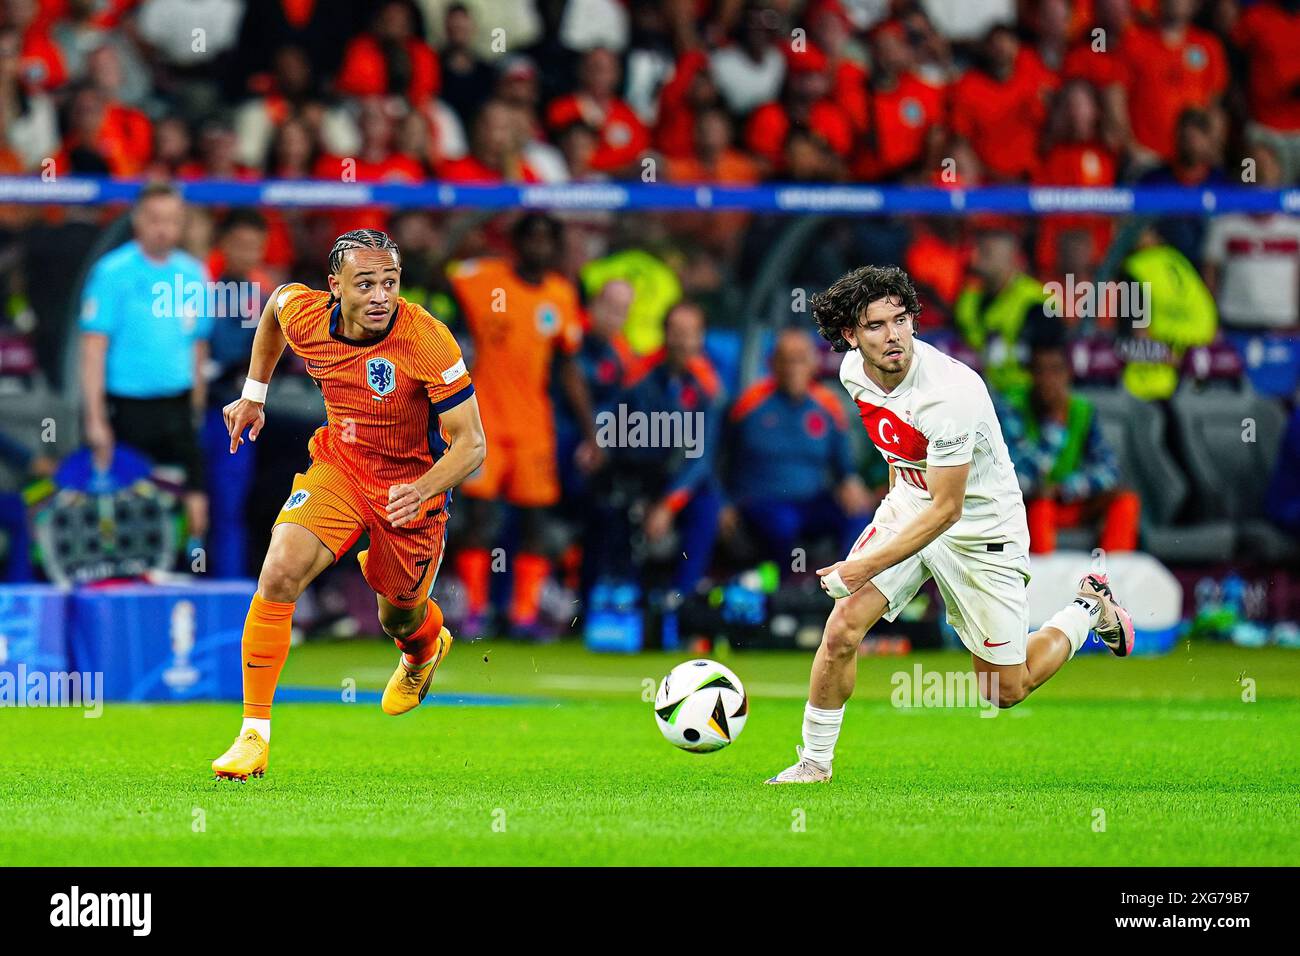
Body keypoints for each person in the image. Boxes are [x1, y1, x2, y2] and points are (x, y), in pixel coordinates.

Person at [766, 266, 1135, 785]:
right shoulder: (853, 373)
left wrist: (862, 564)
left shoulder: (950, 394)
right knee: (843, 628)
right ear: (851, 335)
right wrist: (893, 512)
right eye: (876, 325)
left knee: (1005, 690)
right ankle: (814, 763)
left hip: (983, 528)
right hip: (915, 505)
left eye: (902, 320)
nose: (894, 335)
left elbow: (948, 511)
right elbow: (898, 449)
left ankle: (1086, 610)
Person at [210, 229, 486, 780]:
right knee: (280, 569)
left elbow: (472, 443)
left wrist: (425, 488)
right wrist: (254, 393)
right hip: (340, 465)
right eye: (366, 283)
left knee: (397, 613)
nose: (382, 295)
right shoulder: (306, 314)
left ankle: (423, 645)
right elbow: (274, 310)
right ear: (336, 287)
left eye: (390, 282)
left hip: (411, 488)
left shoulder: (427, 340)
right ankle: (253, 735)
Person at [447, 213, 600, 638]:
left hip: (534, 423)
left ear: (554, 248)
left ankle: (524, 614)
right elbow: (439, 274)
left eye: (545, 239)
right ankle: (475, 611)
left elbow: (568, 366)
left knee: (536, 520)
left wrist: (592, 433)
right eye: (529, 237)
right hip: (484, 421)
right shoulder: (483, 279)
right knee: (478, 517)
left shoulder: (560, 295)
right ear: (515, 242)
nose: (537, 246)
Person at [78, 180, 211, 550]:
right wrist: (95, 418)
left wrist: (196, 404)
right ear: (137, 220)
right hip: (126, 406)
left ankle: (187, 576)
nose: (163, 228)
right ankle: (125, 582)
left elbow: (197, 345)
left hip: (178, 404)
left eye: (171, 219)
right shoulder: (112, 272)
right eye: (154, 219)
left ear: (181, 223)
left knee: (194, 504)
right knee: (124, 503)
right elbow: (92, 349)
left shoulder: (194, 274)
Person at [722, 327, 874, 568]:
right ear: (772, 364)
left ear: (814, 364)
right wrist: (723, 503)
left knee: (858, 513)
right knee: (783, 523)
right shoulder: (748, 405)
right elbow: (718, 458)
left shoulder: (828, 406)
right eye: (786, 360)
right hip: (760, 500)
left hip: (811, 500)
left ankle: (844, 585)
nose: (793, 368)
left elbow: (844, 468)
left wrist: (850, 483)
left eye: (800, 360)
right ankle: (780, 589)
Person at [1001, 340, 1140, 555]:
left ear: (1068, 374)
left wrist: (1068, 488)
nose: (1048, 380)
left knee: (1125, 502)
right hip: (1028, 507)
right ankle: (1044, 583)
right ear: (1030, 375)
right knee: (1041, 505)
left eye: (1055, 370)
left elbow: (1109, 469)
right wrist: (1055, 426)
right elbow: (1021, 478)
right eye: (1040, 371)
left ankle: (1107, 582)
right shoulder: (1013, 407)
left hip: (1069, 498)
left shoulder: (1081, 410)